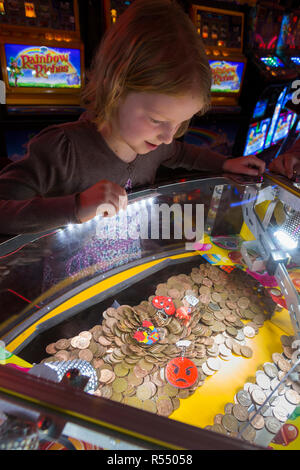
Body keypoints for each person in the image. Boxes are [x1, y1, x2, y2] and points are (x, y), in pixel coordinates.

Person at [0, 0, 265, 236]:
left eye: (181, 122)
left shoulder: (155, 146)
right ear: (114, 86)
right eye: (157, 119)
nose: (167, 136)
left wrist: (226, 163)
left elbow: (181, 152)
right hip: (70, 285)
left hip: (122, 270)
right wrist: (77, 206)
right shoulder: (62, 148)